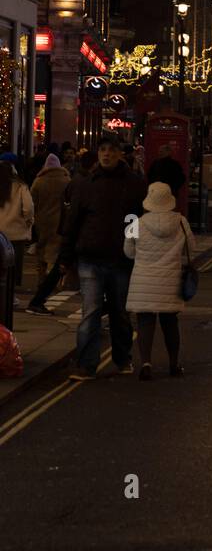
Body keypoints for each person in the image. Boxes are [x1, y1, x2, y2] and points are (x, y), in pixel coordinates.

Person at [58, 132, 146, 380]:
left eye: (112, 150)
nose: (107, 154)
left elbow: (137, 219)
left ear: (120, 154)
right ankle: (87, 364)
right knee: (90, 313)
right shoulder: (86, 184)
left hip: (121, 259)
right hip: (90, 258)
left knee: (120, 313)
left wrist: (134, 247)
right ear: (98, 154)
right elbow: (72, 222)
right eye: (103, 149)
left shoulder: (135, 183)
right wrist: (66, 258)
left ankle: (122, 358)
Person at [124, 181, 190, 379]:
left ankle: (145, 363)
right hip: (170, 279)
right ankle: (174, 364)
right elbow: (191, 247)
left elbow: (128, 252)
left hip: (144, 280)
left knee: (145, 322)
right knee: (170, 321)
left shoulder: (136, 223)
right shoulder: (181, 222)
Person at [26, 152, 71, 307]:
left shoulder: (39, 181)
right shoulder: (66, 180)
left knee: (42, 248)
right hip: (60, 221)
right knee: (55, 251)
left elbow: (32, 202)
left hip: (42, 221)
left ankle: (42, 277)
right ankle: (53, 278)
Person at [0, 158, 34, 297]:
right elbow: (28, 208)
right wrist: (28, 220)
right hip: (16, 234)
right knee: (14, 267)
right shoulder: (20, 186)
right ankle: (10, 295)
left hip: (0, 235)